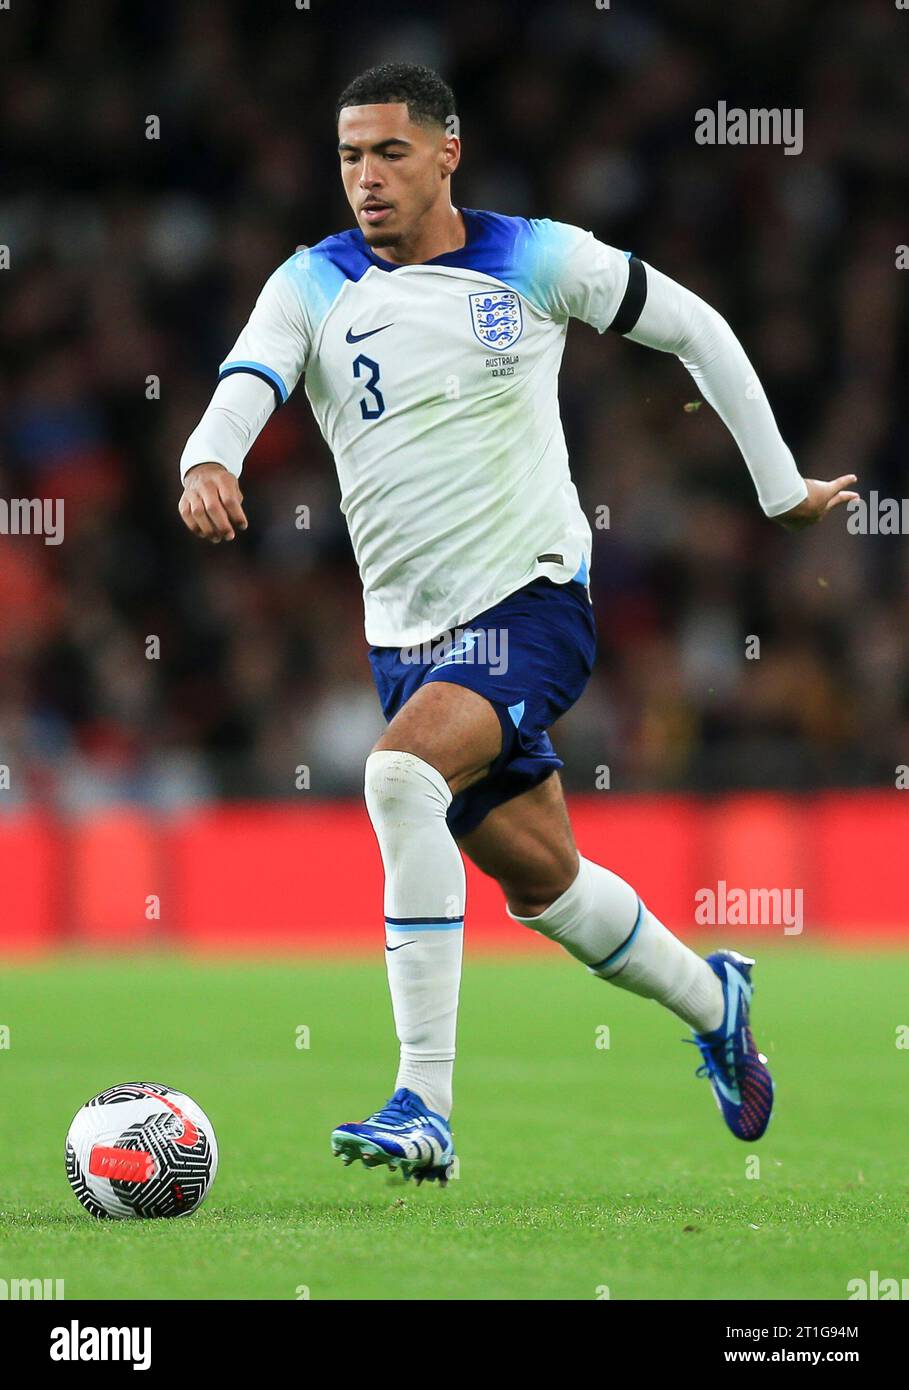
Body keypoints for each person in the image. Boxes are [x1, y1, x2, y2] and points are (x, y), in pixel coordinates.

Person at [178, 63, 858, 1183]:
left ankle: (423, 1105)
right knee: (546, 885)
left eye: (390, 152)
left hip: (533, 601)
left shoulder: (538, 257)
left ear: (448, 152)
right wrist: (210, 454)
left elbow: (697, 326)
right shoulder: (310, 282)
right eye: (349, 156)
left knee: (397, 778)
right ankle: (715, 999)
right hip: (405, 639)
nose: (365, 178)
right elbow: (248, 379)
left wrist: (780, 487)